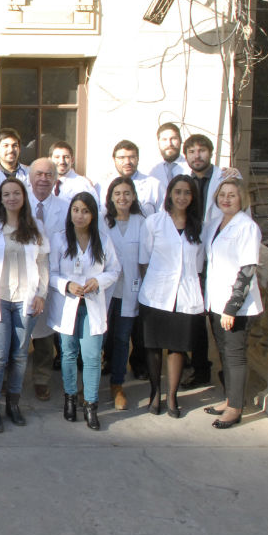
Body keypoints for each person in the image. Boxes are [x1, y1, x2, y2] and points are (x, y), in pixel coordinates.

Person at [0, 179, 49, 433]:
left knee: (19, 355)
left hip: (25, 299)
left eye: (16, 193)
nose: (12, 198)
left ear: (24, 197)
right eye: (7, 194)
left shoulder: (35, 226)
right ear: (0, 198)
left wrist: (42, 293)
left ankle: (13, 404)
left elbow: (43, 263)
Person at [48, 193, 120, 430]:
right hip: (68, 303)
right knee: (68, 353)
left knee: (91, 357)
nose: (80, 215)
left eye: (85, 211)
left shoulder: (103, 241)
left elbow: (114, 270)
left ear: (93, 215)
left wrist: (98, 281)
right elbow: (50, 272)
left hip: (91, 304)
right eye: (76, 210)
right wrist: (66, 285)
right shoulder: (59, 240)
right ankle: (70, 398)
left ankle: (90, 405)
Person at [138, 175, 205, 418]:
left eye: (187, 193)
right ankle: (155, 392)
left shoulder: (199, 226)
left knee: (177, 348)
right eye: (178, 192)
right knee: (153, 346)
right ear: (169, 194)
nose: (182, 197)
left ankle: (172, 396)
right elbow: (143, 260)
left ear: (192, 197)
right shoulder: (154, 222)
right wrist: (155, 281)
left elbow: (198, 265)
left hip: (185, 294)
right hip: (156, 293)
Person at [202, 178, 263, 429]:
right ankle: (229, 399)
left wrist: (232, 307)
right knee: (224, 353)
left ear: (242, 199)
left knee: (235, 355)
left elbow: (247, 269)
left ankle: (236, 409)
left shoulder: (247, 227)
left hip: (235, 306)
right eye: (222, 194)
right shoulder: (216, 223)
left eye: (232, 195)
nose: (226, 199)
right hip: (216, 301)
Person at [182, 133, 227, 388]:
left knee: (220, 321)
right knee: (196, 320)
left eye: (201, 150)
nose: (197, 155)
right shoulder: (185, 182)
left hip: (219, 259)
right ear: (186, 156)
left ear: (210, 153)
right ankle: (201, 370)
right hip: (192, 256)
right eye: (192, 151)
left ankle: (227, 371)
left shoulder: (226, 180)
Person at [100, 177, 146, 410]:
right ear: (110, 197)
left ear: (134, 197)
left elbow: (146, 260)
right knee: (99, 338)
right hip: (104, 290)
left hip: (130, 291)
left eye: (127, 193)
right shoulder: (102, 221)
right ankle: (91, 384)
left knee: (121, 339)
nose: (122, 198)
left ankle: (117, 384)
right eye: (117, 193)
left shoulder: (142, 222)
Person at [26, 158, 69, 401]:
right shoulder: (19, 203)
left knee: (45, 334)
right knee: (17, 332)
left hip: (55, 276)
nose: (43, 178)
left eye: (49, 174)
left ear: (55, 179)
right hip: (23, 276)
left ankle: (41, 379)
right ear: (30, 178)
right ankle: (9, 379)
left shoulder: (66, 208)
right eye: (39, 174)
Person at [98, 140, 162, 216]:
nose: (127, 162)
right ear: (114, 159)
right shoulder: (102, 185)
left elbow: (163, 219)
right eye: (122, 158)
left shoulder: (154, 185)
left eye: (132, 157)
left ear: (138, 159)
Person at [0, 128, 30, 205]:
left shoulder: (30, 173)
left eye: (14, 145)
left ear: (19, 149)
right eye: (6, 146)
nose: (10, 150)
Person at [149, 123, 189, 192]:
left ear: (180, 140)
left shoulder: (190, 169)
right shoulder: (152, 172)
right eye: (164, 139)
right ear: (158, 143)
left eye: (173, 138)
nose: (169, 144)